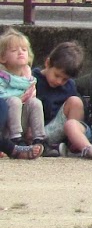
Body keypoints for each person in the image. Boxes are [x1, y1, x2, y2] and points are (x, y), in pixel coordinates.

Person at [34, 41, 88, 158]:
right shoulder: (33, 79)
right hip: (34, 132)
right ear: (48, 63)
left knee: (76, 102)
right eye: (57, 75)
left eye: (65, 79)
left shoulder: (70, 86)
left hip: (55, 130)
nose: (59, 81)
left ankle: (72, 144)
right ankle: (45, 147)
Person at [0, 28, 45, 158]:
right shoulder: (2, 76)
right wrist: (19, 97)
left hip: (22, 121)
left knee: (35, 102)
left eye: (24, 50)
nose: (20, 52)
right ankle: (15, 139)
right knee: (14, 100)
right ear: (2, 58)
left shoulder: (28, 78)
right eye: (14, 50)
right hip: (8, 125)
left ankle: (39, 139)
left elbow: (31, 98)